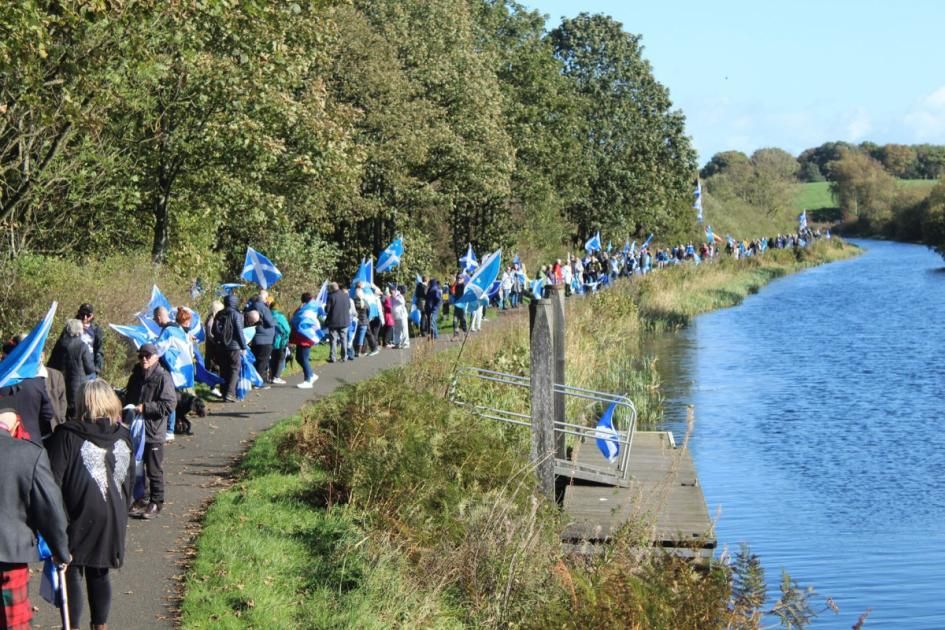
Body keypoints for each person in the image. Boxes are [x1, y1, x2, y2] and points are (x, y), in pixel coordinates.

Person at [45, 381, 134, 630]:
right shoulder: (123, 435)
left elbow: (53, 481)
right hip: (112, 512)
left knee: (71, 570)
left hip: (76, 513)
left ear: (82, 402)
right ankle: (99, 625)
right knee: (100, 570)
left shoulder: (66, 435)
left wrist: (54, 522)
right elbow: (130, 479)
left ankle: (72, 626)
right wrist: (122, 512)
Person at [0, 408, 71, 630]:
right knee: (14, 624)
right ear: (15, 427)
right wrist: (60, 551)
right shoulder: (29, 454)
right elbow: (50, 509)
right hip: (10, 557)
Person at [123, 343, 175, 520]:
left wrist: (145, 408)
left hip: (153, 431)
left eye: (147, 356)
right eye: (141, 356)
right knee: (136, 467)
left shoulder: (163, 377)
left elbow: (169, 404)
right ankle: (141, 497)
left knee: (154, 469)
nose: (144, 359)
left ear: (156, 357)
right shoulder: (136, 375)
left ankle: (156, 502)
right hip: (135, 429)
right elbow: (128, 397)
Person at [0, 337, 56, 442]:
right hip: (30, 440)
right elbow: (48, 414)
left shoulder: (2, 379)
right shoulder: (37, 381)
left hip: (5, 439)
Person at [48, 318, 96, 422]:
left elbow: (51, 365)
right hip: (77, 387)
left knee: (61, 413)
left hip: (59, 384)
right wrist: (96, 368)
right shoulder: (82, 346)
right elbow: (89, 369)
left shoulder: (59, 344)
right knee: (76, 416)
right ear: (80, 330)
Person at [210, 295, 246, 402]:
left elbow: (213, 330)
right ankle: (230, 393)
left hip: (221, 346)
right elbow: (239, 331)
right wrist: (243, 346)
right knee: (234, 368)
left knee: (224, 369)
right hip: (234, 346)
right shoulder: (236, 314)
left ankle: (224, 392)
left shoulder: (219, 314)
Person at [288, 293, 319, 389]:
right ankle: (311, 374)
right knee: (298, 357)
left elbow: (297, 319)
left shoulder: (307, 310)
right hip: (301, 338)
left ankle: (308, 380)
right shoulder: (305, 309)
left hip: (305, 338)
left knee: (304, 358)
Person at [245, 290, 275, 383]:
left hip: (255, 337)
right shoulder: (263, 307)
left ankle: (252, 380)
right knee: (262, 362)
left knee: (256, 360)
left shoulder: (251, 306)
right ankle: (258, 382)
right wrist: (275, 321)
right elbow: (270, 322)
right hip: (265, 339)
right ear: (265, 298)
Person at [324, 282, 351, 363]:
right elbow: (349, 306)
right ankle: (344, 356)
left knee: (333, 340)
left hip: (333, 322)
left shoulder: (331, 296)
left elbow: (327, 310)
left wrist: (325, 307)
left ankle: (333, 357)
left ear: (332, 288)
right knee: (344, 339)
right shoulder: (346, 295)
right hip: (344, 321)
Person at [353, 282, 379, 357]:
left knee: (362, 336)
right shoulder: (365, 302)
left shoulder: (354, 301)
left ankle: (361, 351)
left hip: (358, 321)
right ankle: (373, 348)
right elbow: (368, 310)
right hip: (365, 320)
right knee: (368, 335)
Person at [269, 300, 291, 385]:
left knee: (273, 359)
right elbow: (287, 329)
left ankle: (271, 376)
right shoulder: (280, 317)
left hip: (270, 340)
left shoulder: (268, 315)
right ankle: (277, 377)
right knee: (281, 358)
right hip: (280, 340)